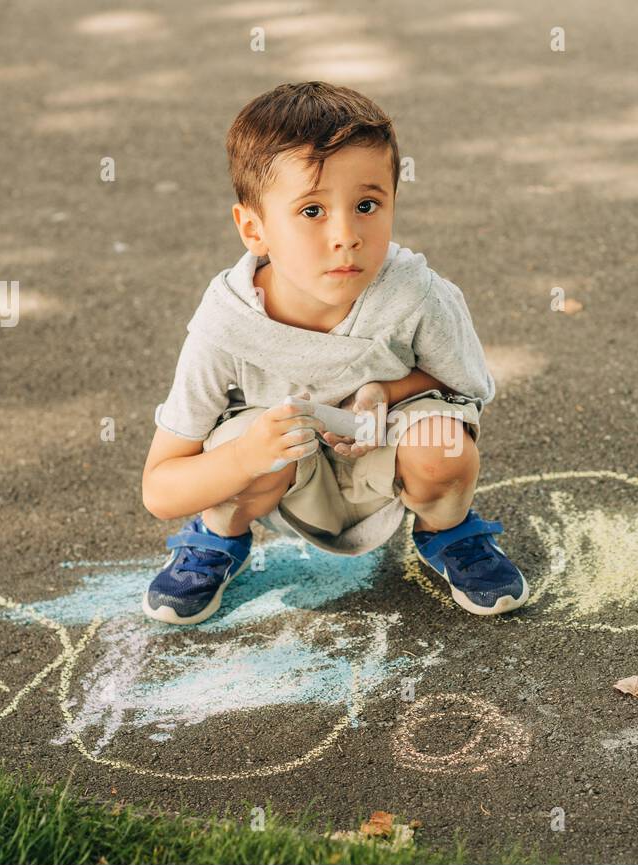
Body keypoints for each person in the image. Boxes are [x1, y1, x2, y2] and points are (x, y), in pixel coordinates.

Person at [140, 80, 528, 625]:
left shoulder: (416, 293)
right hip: (280, 472)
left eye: (367, 204)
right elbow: (159, 487)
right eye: (312, 211)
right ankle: (218, 536)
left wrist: (386, 392)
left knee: (443, 442)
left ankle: (448, 528)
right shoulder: (225, 324)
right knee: (241, 442)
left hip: (380, 446)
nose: (346, 235)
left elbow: (468, 386)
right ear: (254, 229)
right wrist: (247, 456)